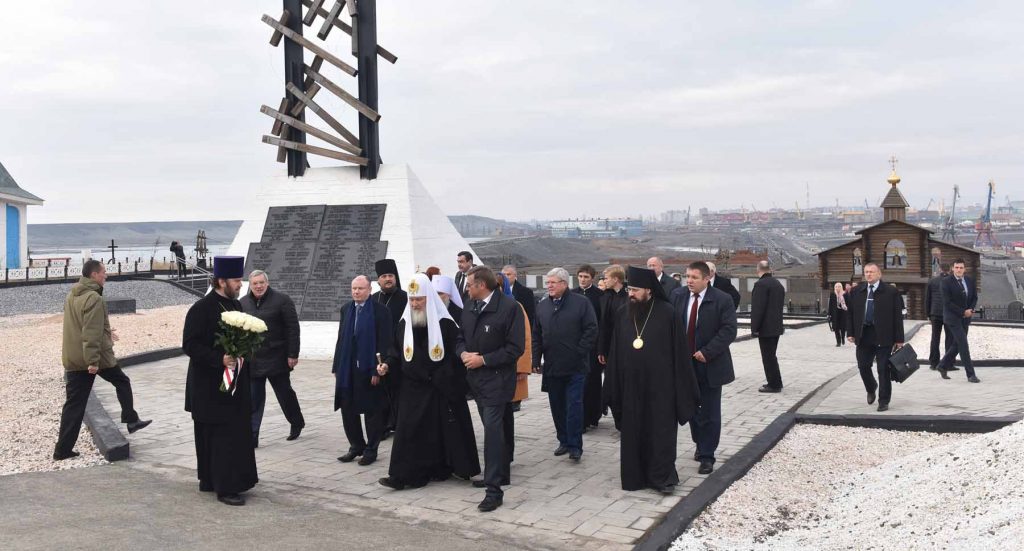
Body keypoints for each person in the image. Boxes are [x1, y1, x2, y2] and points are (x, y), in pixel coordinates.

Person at [379, 274, 480, 490]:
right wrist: (387, 364)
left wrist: (442, 376)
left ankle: (443, 467)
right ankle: (403, 476)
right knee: (408, 430)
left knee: (441, 429)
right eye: (412, 300)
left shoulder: (445, 323)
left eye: (420, 299)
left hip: (439, 387)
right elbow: (395, 351)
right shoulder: (404, 323)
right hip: (413, 387)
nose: (415, 304)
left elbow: (456, 353)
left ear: (429, 298)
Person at [605, 267, 699, 493]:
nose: (631, 294)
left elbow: (679, 353)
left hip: (661, 388)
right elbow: (616, 351)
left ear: (649, 290)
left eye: (635, 290)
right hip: (631, 387)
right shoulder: (622, 313)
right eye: (629, 289)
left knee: (660, 434)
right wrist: (613, 383)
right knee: (633, 432)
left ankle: (662, 478)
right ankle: (634, 477)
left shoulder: (668, 313)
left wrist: (681, 388)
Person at [55, 260, 151, 461]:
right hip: (92, 359)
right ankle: (131, 420)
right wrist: (92, 361)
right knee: (122, 381)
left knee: (74, 404)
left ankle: (62, 450)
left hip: (73, 357)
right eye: (103, 272)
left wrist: (107, 333)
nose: (106, 276)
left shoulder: (73, 294)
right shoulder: (94, 299)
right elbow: (90, 332)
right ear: (93, 275)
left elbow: (82, 325)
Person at [182, 256, 256, 506]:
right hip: (209, 387)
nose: (240, 285)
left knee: (234, 434)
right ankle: (224, 487)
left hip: (234, 386)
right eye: (236, 281)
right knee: (217, 436)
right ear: (221, 281)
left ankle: (227, 479)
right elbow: (190, 345)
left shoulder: (236, 307)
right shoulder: (202, 308)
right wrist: (219, 359)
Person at [457, 266, 525, 512]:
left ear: (481, 285)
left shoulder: (509, 308)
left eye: (470, 284)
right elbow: (460, 336)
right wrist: (463, 352)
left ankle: (493, 490)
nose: (466, 288)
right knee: (497, 427)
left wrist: (483, 360)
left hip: (497, 380)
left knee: (493, 434)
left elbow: (515, 348)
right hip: (475, 381)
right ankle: (502, 472)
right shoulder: (469, 304)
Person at [672, 261, 737, 475]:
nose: (689, 281)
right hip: (685, 365)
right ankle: (700, 442)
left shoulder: (722, 299)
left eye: (694, 277)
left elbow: (728, 330)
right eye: (687, 276)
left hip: (710, 364)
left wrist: (707, 352)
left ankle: (707, 455)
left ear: (707, 278)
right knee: (690, 409)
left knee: (710, 412)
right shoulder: (678, 296)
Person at [533, 268, 598, 462]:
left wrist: (579, 352)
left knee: (574, 406)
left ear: (564, 283)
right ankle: (563, 440)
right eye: (548, 283)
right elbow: (536, 335)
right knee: (557, 406)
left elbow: (591, 329)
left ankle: (575, 445)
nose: (549, 286)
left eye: (553, 282)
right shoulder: (543, 306)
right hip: (552, 366)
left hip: (575, 366)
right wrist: (536, 359)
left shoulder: (581, 303)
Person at [333, 275, 394, 466]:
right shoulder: (346, 309)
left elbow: (386, 342)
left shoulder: (380, 311)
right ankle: (355, 446)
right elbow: (341, 338)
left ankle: (371, 449)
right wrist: (336, 366)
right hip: (347, 367)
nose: (356, 292)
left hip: (369, 367)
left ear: (369, 289)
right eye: (353, 289)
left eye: (360, 288)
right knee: (347, 408)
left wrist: (378, 369)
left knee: (372, 410)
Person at [240, 270, 304, 448]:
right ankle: (252, 436)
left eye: (261, 282)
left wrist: (293, 354)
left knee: (285, 394)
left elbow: (293, 328)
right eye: (255, 283)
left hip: (277, 358)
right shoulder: (243, 303)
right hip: (253, 360)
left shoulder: (282, 300)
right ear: (250, 285)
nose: (258, 286)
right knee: (254, 400)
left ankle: (296, 422)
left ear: (267, 283)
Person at [845, 263, 905, 411]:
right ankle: (871, 387)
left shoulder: (891, 292)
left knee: (883, 368)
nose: (869, 274)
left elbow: (897, 317)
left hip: (884, 336)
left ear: (879, 274)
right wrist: (851, 332)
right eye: (866, 272)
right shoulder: (857, 291)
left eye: (872, 272)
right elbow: (851, 314)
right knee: (863, 365)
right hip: (864, 334)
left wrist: (899, 339)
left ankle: (883, 401)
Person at [372, 259, 408, 436]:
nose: (388, 279)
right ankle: (385, 425)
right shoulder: (373, 299)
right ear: (378, 280)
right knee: (381, 390)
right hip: (379, 350)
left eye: (391, 276)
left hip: (400, 352)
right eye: (384, 276)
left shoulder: (405, 298)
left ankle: (399, 423)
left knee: (398, 389)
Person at [597, 264, 629, 429]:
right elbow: (603, 325)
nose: (604, 280)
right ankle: (618, 418)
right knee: (611, 384)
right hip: (610, 347)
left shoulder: (630, 296)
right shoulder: (605, 296)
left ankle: (626, 419)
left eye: (606, 277)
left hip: (626, 348)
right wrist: (601, 349)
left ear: (616, 279)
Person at [937, 259, 980, 383]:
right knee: (963, 344)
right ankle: (971, 374)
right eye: (956, 267)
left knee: (957, 344)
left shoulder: (969, 280)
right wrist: (962, 312)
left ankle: (942, 365)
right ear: (952, 269)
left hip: (966, 318)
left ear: (964, 269)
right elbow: (947, 302)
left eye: (961, 268)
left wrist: (970, 309)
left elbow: (974, 297)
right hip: (953, 318)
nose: (959, 270)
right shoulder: (946, 282)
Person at [501, 265, 536, 412]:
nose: (507, 277)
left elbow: (530, 318)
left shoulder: (523, 295)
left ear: (515, 276)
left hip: (518, 343)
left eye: (509, 274)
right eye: (504, 274)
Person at [574, 264, 604, 430]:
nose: (583, 279)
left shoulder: (600, 295)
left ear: (592, 278)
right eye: (580, 276)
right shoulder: (572, 294)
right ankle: (582, 418)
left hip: (593, 347)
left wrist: (600, 348)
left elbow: (602, 323)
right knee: (580, 383)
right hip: (577, 345)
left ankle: (594, 414)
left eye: (586, 277)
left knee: (593, 381)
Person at [750, 260, 786, 393]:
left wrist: (754, 328)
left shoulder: (760, 285)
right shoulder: (778, 284)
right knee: (772, 355)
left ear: (758, 269)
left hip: (765, 328)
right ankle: (776, 381)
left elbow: (758, 309)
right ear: (769, 269)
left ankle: (774, 384)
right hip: (776, 326)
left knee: (768, 357)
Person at [924, 264, 954, 370]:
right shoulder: (952, 281)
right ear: (950, 269)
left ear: (940, 269)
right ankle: (948, 363)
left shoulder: (932, 281)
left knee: (935, 338)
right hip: (949, 313)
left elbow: (928, 299)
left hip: (935, 313)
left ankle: (933, 363)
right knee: (949, 338)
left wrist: (928, 314)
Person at [827, 282, 848, 347]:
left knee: (842, 328)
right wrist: (829, 314)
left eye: (839, 286)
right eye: (836, 286)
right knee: (836, 328)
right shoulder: (832, 294)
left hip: (843, 313)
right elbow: (830, 305)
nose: (837, 288)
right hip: (835, 314)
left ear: (841, 287)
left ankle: (843, 338)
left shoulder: (845, 294)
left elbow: (848, 304)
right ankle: (838, 342)